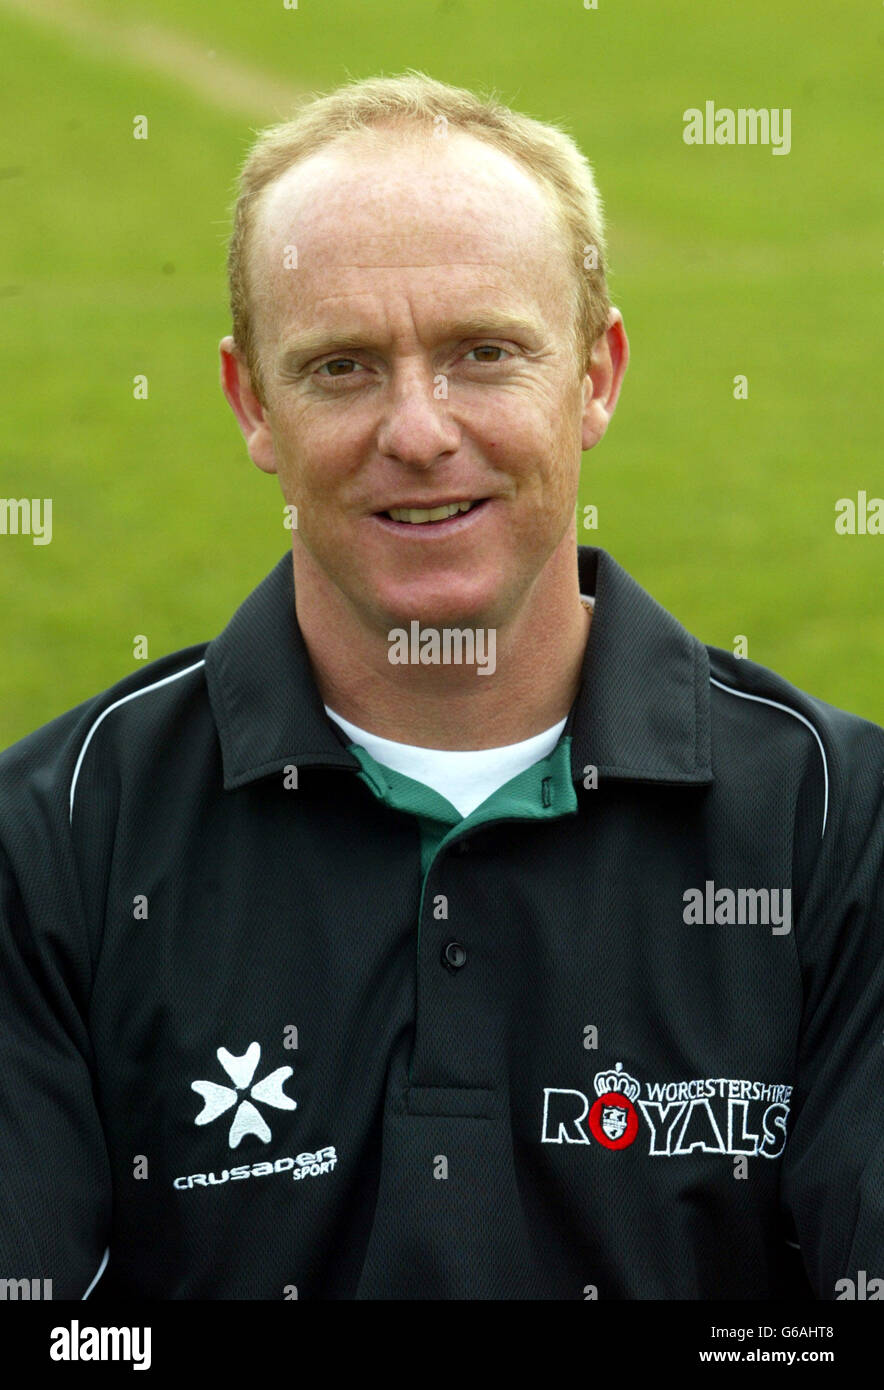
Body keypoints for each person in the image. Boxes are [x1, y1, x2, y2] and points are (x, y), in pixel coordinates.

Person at [0, 72, 881, 1302]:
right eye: (343, 367)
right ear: (252, 402)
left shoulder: (838, 825)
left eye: (483, 352)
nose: (417, 430)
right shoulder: (53, 838)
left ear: (596, 376)